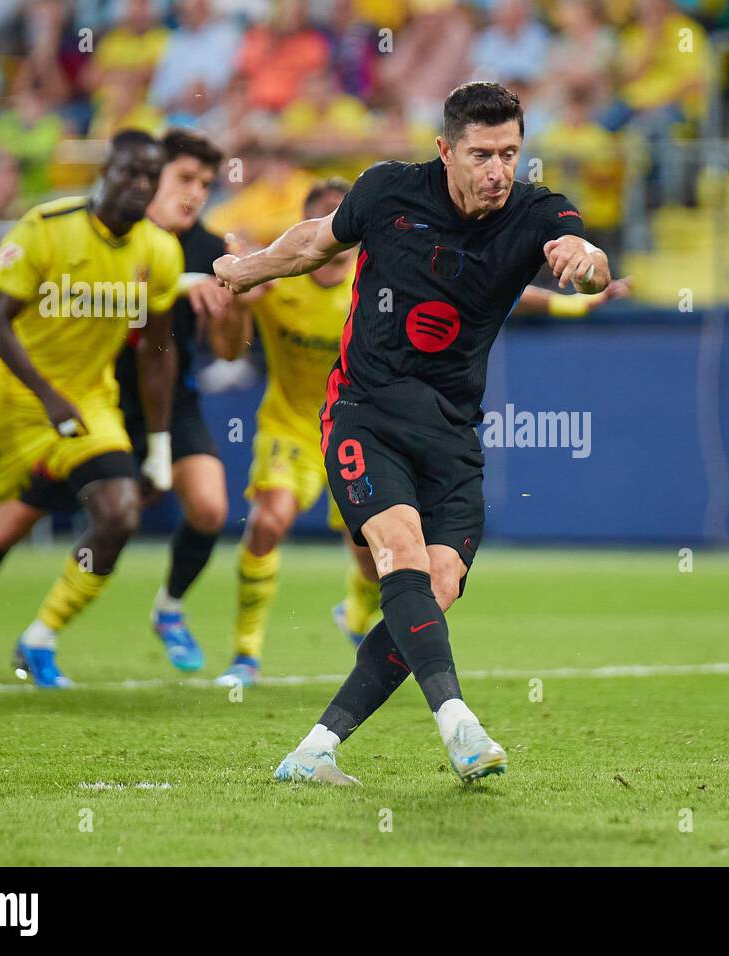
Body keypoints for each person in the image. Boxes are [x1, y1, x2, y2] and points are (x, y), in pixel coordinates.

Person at [213, 81, 611, 785]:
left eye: (511, 153)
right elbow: (315, 241)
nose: (498, 170)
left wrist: (586, 264)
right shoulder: (390, 191)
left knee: (437, 586)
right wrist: (245, 270)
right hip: (364, 413)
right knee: (399, 554)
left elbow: (582, 256)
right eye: (482, 154)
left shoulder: (536, 210)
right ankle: (459, 724)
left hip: (453, 434)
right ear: (444, 150)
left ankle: (315, 748)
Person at [0, 128, 244, 674]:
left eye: (206, 184)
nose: (194, 193)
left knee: (210, 506)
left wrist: (237, 301)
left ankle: (157, 612)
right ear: (143, 177)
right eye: (183, 178)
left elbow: (230, 350)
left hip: (167, 403)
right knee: (7, 524)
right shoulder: (102, 233)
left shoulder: (212, 248)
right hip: (88, 399)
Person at [207, 178, 383, 688]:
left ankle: (353, 613)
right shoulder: (278, 278)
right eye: (322, 219)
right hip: (291, 427)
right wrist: (239, 300)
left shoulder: (376, 283)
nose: (334, 230)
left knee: (372, 558)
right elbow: (227, 351)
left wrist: (565, 302)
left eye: (342, 217)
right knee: (268, 521)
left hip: (358, 431)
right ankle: (245, 656)